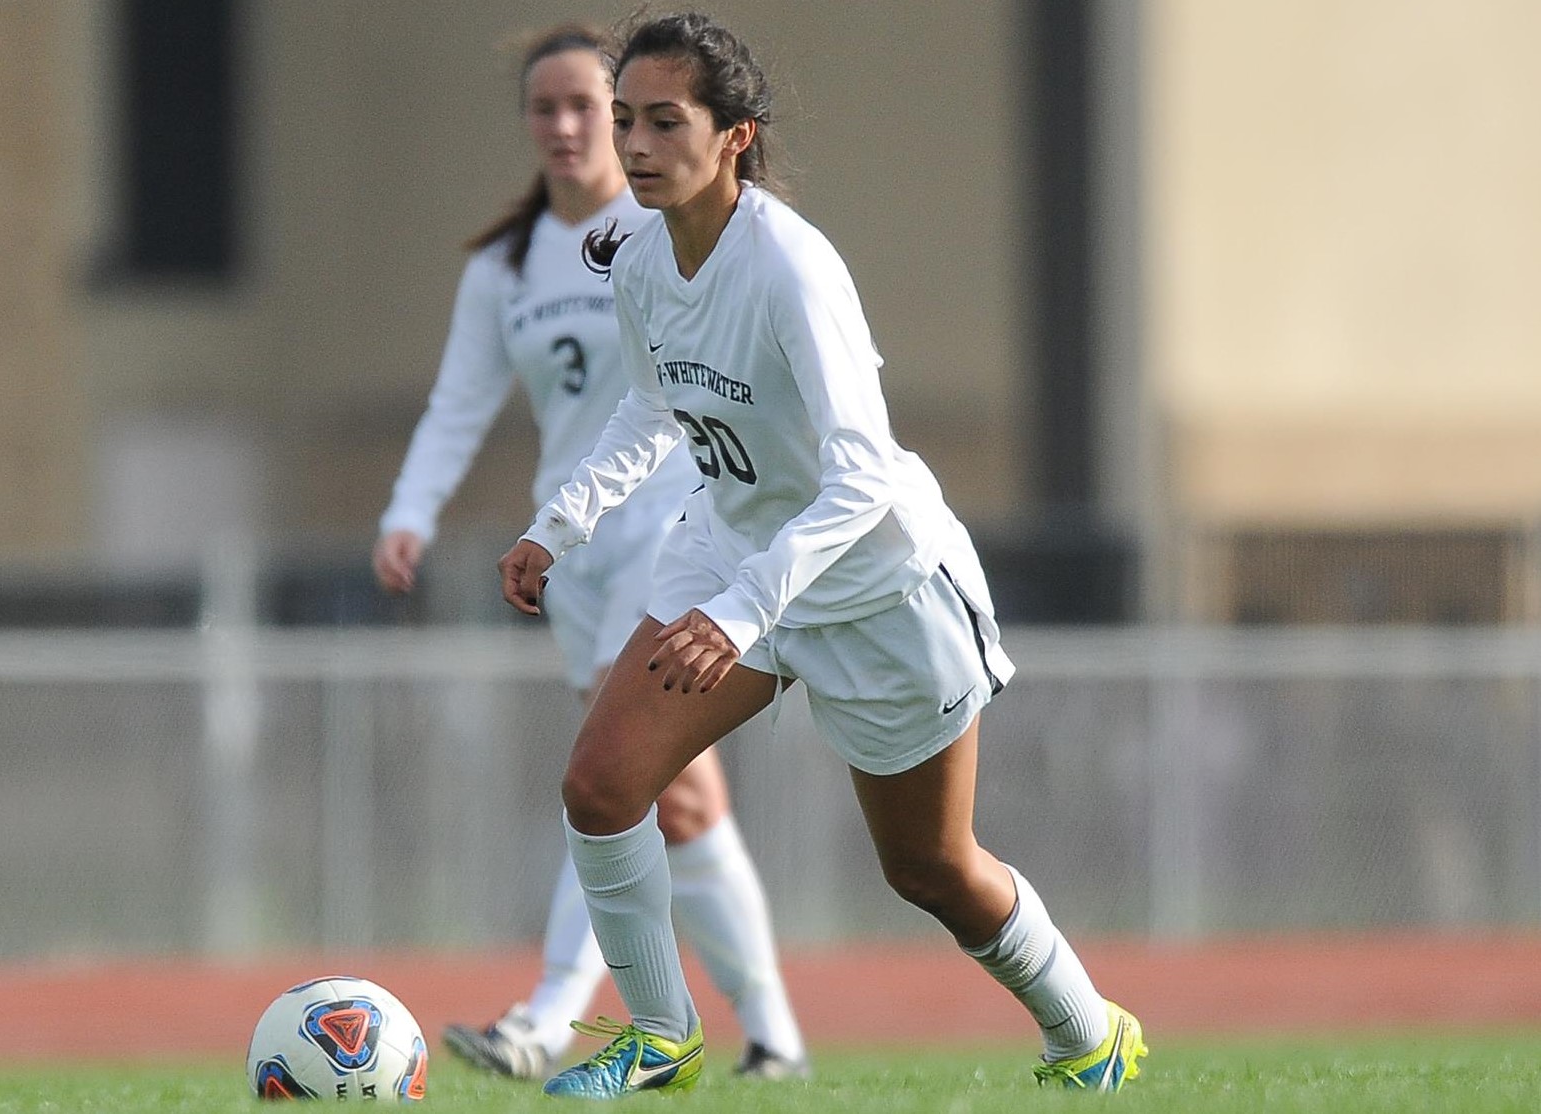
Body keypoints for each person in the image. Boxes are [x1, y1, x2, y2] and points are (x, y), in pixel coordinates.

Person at [498, 12, 1148, 1098]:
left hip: (877, 587)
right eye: (626, 121)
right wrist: (557, 525)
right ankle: (661, 1036)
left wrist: (742, 610)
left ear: (735, 136)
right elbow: (650, 410)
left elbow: (860, 478)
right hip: (733, 555)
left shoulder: (792, 269)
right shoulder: (641, 258)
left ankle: (1089, 1034)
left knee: (931, 869)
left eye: (666, 121)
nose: (636, 146)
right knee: (601, 787)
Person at [372, 23, 809, 1083]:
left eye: (590, 107)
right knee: (679, 801)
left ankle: (548, 1016)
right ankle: (776, 1040)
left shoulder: (665, 230)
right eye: (549, 108)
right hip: (572, 547)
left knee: (611, 779)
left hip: (676, 530)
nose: (569, 126)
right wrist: (409, 510)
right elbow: (458, 401)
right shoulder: (505, 265)